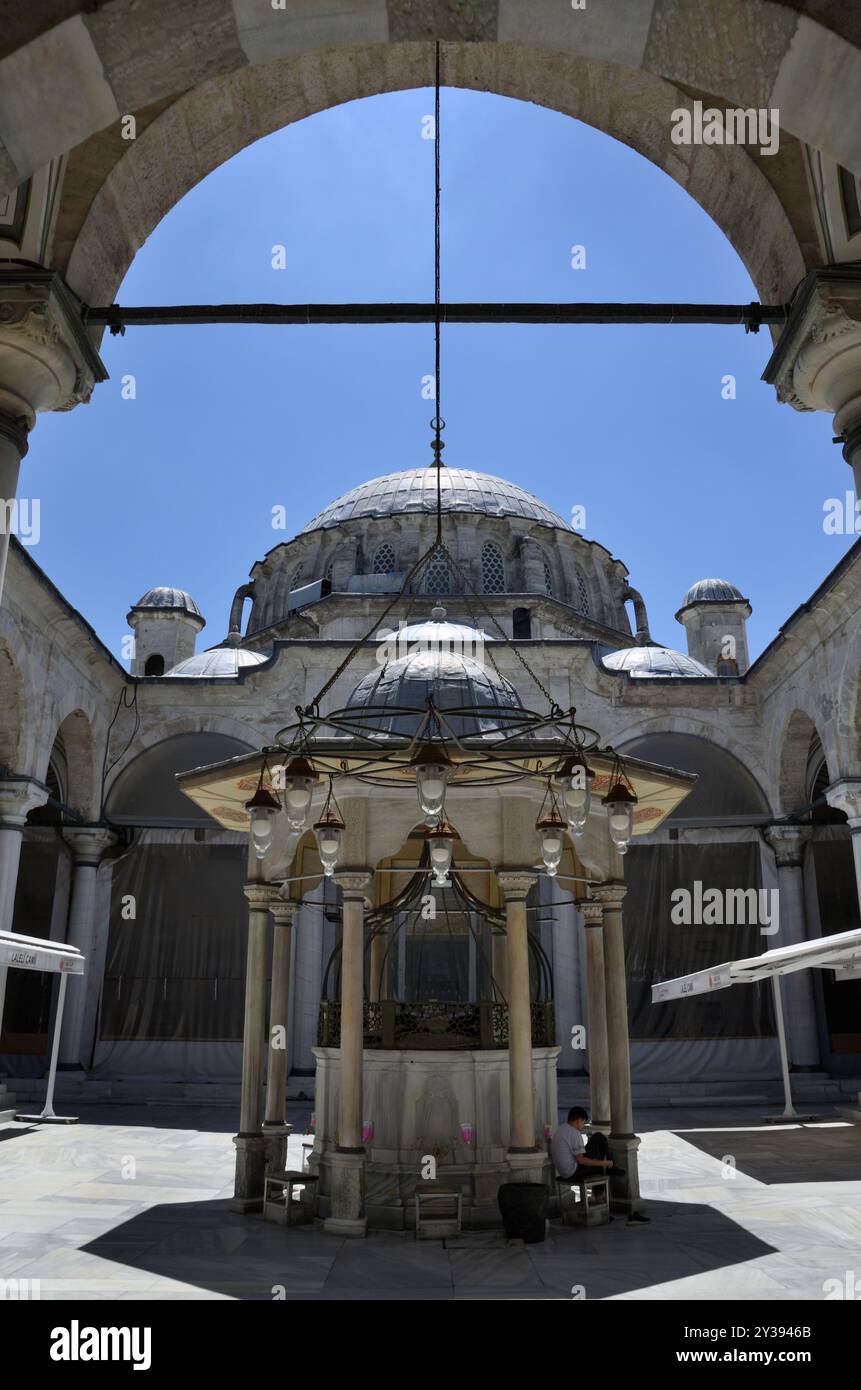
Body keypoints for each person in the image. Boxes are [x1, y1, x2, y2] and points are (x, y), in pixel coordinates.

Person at [550, 1106, 626, 1181]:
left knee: (597, 1140)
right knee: (598, 1138)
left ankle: (608, 1169)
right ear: (578, 1120)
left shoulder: (561, 1129)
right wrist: (603, 1163)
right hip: (573, 1172)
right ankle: (609, 1167)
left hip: (564, 1172)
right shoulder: (574, 1132)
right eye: (583, 1122)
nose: (583, 1125)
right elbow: (581, 1160)